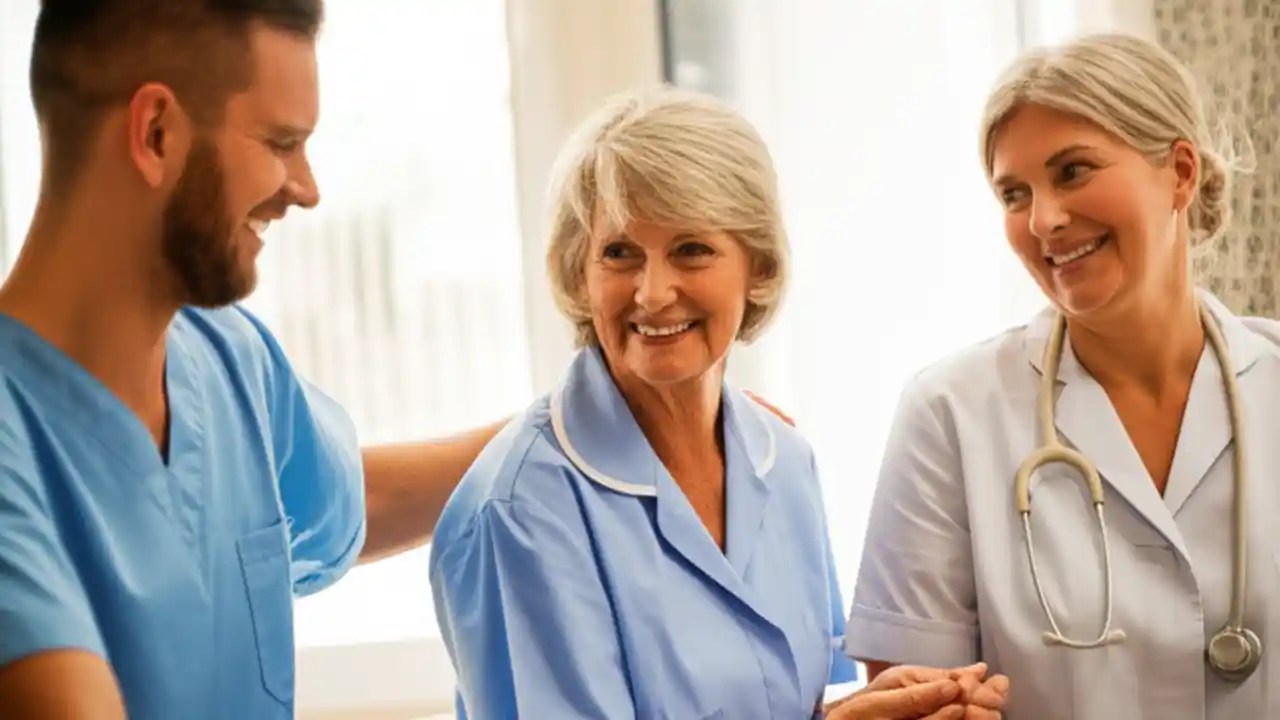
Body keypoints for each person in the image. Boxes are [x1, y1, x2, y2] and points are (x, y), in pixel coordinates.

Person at [428, 86, 1007, 719]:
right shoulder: (518, 511)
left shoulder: (783, 461)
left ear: (756, 265)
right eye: (619, 253)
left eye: (691, 249)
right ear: (578, 272)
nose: (652, 293)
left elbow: (799, 701)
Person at [0, 2, 502, 717]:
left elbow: (348, 500)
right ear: (157, 133)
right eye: (281, 142)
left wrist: (567, 425)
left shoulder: (229, 359)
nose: (306, 188)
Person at [845, 32, 1280, 719]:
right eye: (1014, 194)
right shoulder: (952, 414)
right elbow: (913, 698)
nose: (1044, 220)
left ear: (1181, 173)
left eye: (1073, 171)